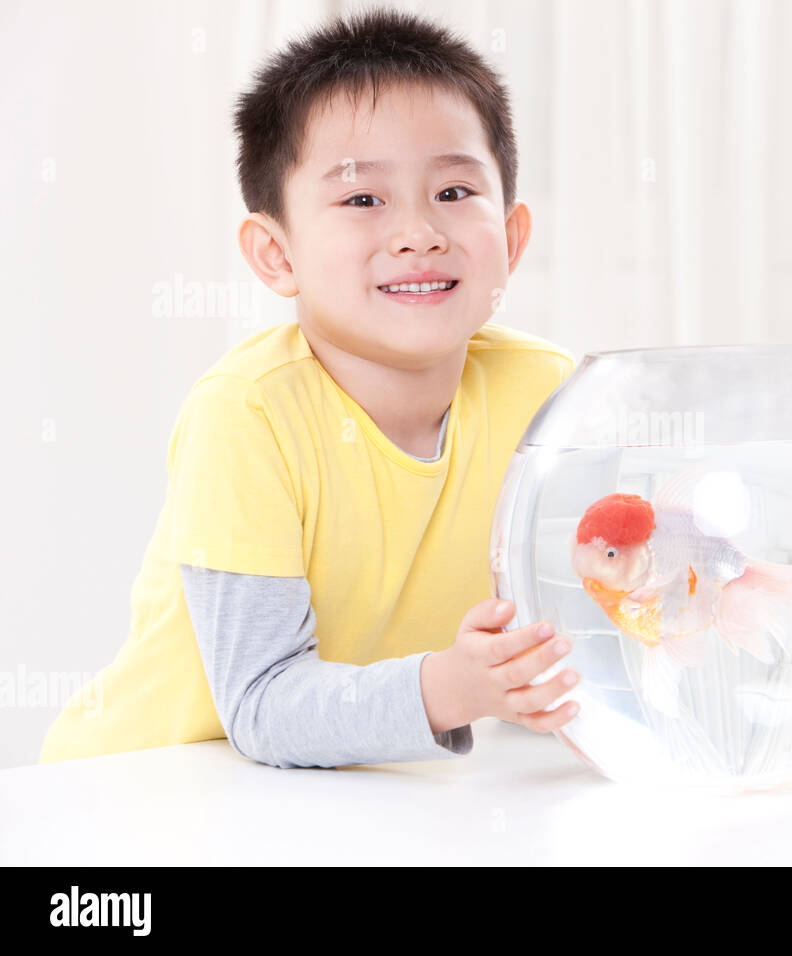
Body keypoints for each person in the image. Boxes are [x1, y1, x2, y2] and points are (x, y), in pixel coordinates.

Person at [40, 8, 582, 768]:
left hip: (336, 796)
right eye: (363, 199)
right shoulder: (248, 412)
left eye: (454, 193)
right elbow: (261, 702)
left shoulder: (548, 393)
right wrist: (445, 689)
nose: (418, 232)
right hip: (143, 786)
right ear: (275, 254)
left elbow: (603, 590)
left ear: (514, 237)